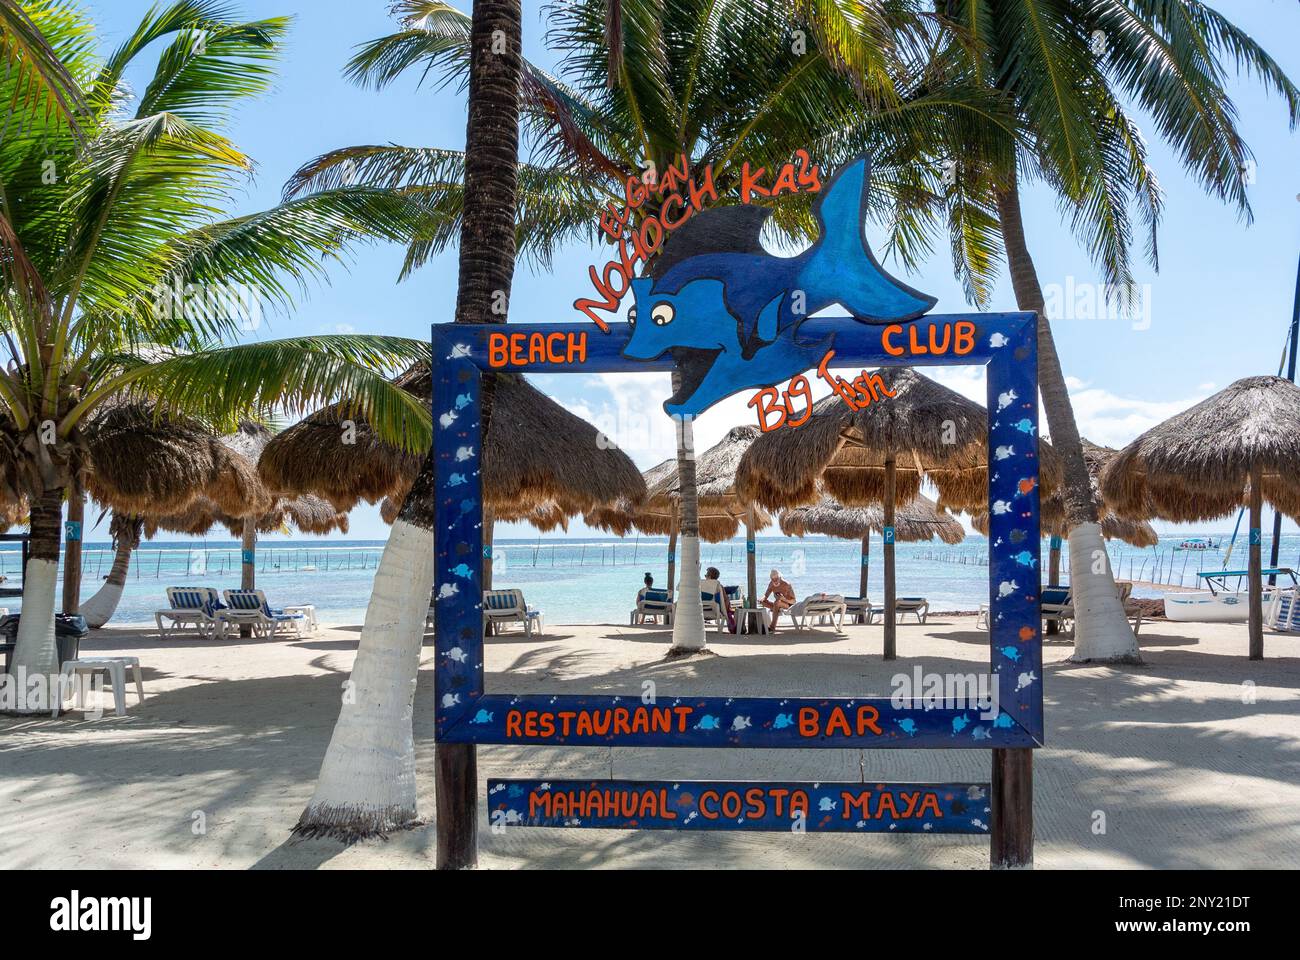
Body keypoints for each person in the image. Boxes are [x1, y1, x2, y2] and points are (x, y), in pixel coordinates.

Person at [700, 566, 736, 632]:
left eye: (705, 575)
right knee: (728, 609)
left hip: (700, 610)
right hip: (714, 611)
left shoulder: (700, 586)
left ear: (709, 576)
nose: (705, 577)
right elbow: (725, 600)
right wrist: (725, 611)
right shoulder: (718, 586)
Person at [761, 568, 796, 632]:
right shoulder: (771, 584)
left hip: (788, 604)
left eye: (776, 579)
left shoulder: (786, 584)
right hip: (778, 604)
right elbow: (766, 595)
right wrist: (762, 599)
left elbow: (793, 601)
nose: (775, 581)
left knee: (777, 602)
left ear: (779, 577)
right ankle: (762, 623)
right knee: (762, 602)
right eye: (773, 579)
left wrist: (784, 599)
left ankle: (772, 627)